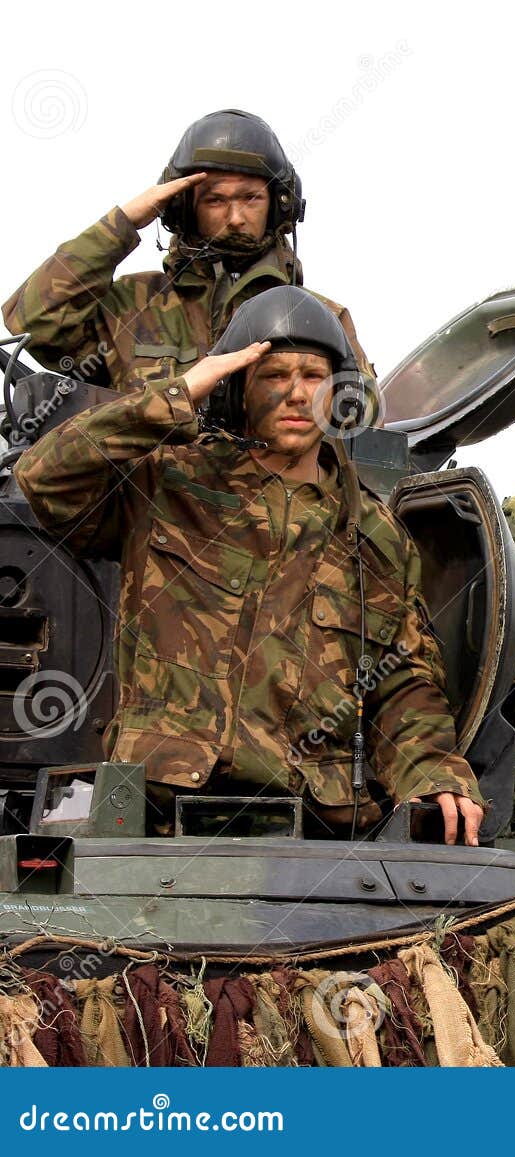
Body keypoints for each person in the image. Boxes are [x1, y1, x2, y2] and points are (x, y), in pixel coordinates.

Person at [14, 286, 482, 843]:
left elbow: (402, 678)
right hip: (154, 815)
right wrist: (180, 393)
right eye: (273, 375)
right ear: (237, 388)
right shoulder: (168, 483)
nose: (295, 394)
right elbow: (43, 478)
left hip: (310, 832)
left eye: (313, 376)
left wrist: (433, 772)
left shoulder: (375, 537)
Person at [3, 109, 369, 393]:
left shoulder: (319, 317)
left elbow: (360, 420)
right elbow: (36, 322)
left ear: (280, 205)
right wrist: (123, 223)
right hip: (146, 487)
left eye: (250, 198)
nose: (236, 217)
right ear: (182, 208)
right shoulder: (132, 306)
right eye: (215, 200)